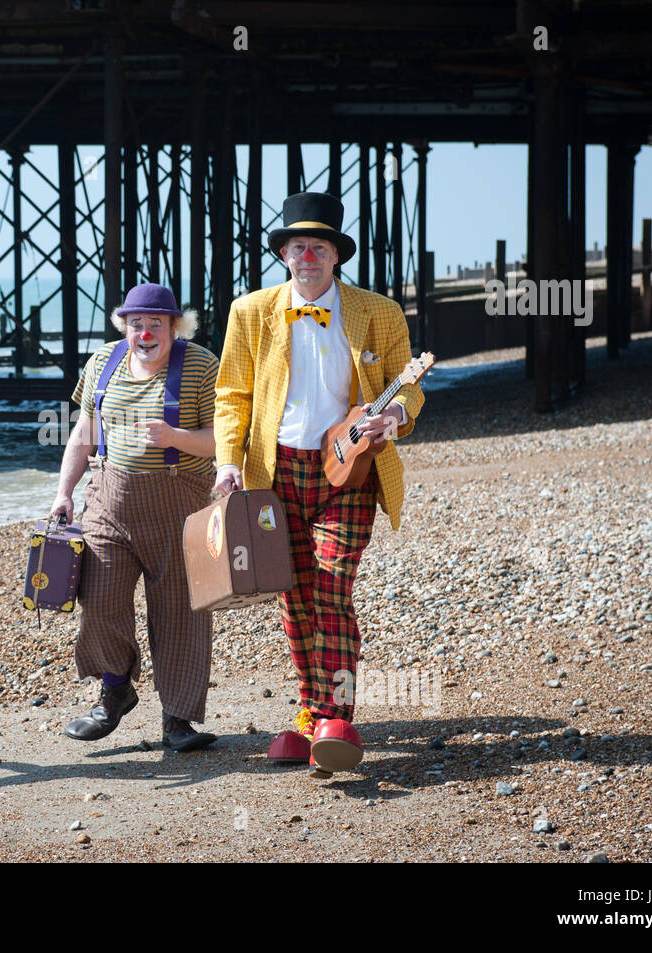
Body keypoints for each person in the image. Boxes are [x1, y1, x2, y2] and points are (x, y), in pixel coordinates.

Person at [211, 192, 424, 776]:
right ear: (283, 254)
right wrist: (228, 461)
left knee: (331, 587)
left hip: (349, 472)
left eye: (319, 246)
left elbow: (410, 388)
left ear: (336, 256)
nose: (308, 255)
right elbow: (232, 395)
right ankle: (311, 712)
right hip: (274, 472)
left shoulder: (379, 312)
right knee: (293, 596)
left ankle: (338, 714)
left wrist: (395, 416)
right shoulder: (249, 311)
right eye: (298, 245)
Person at [51, 282, 220, 752]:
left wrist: (175, 438)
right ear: (124, 326)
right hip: (107, 500)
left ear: (175, 326)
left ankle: (178, 719)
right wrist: (63, 493)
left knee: (181, 613)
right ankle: (115, 689)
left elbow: (225, 440)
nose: (144, 333)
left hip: (180, 502)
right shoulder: (103, 362)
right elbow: (83, 433)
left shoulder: (202, 366)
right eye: (135, 324)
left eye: (155, 324)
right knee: (98, 601)